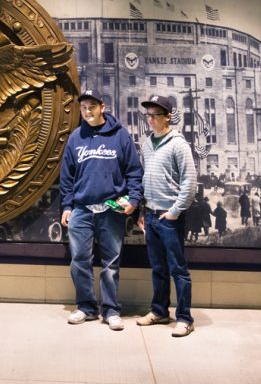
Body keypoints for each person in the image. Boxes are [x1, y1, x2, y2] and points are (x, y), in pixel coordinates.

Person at [59, 89, 143, 331]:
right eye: (83, 108)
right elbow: (66, 177)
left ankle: (111, 310)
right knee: (79, 260)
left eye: (91, 107)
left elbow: (134, 172)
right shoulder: (76, 137)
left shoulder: (120, 136)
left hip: (111, 210)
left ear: (102, 107)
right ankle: (86, 307)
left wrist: (134, 200)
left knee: (111, 263)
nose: (87, 112)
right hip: (82, 210)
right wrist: (67, 206)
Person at [135, 94, 198, 338]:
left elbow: (190, 183)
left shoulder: (178, 144)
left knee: (178, 269)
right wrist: (143, 211)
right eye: (148, 115)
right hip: (150, 215)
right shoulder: (146, 143)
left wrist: (174, 212)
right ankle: (160, 311)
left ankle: (184, 318)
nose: (150, 120)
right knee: (158, 268)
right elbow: (144, 180)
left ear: (168, 117)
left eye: (155, 115)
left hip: (169, 217)